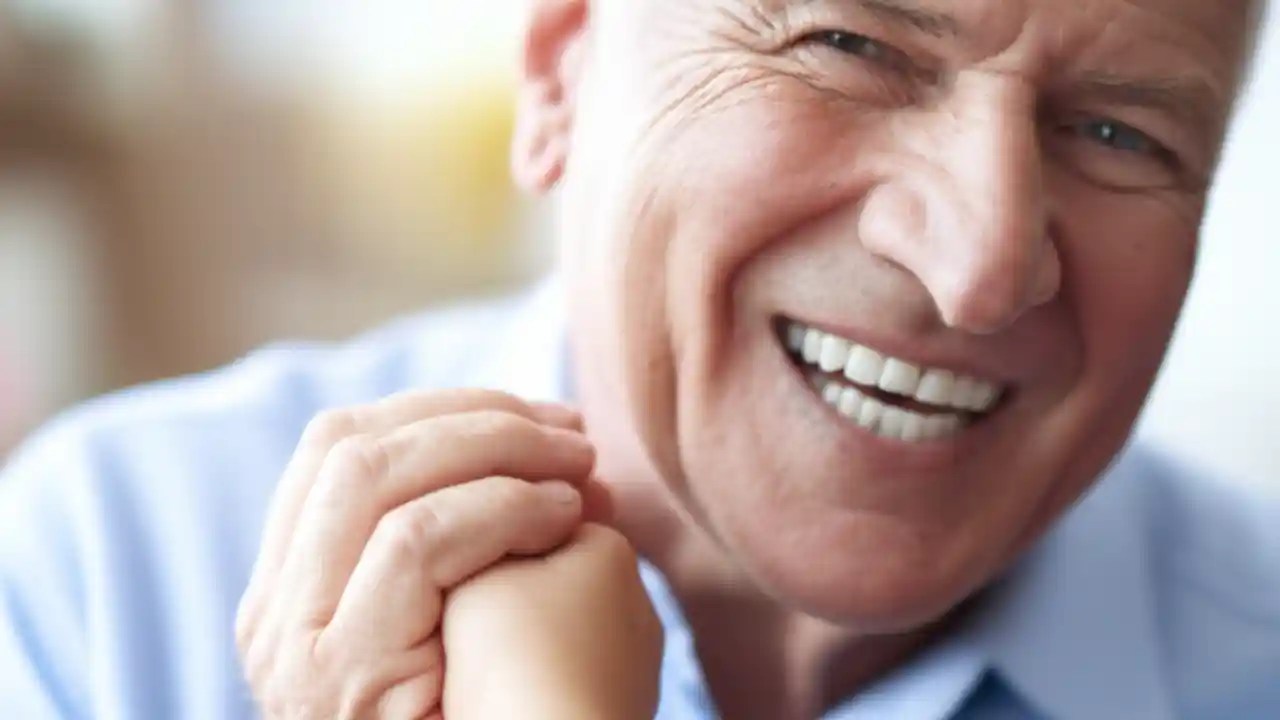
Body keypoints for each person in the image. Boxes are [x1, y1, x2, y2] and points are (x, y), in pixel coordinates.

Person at [3, 0, 1279, 717]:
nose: (982, 265)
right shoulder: (107, 578)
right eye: (853, 48)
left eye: (1119, 134)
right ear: (559, 79)